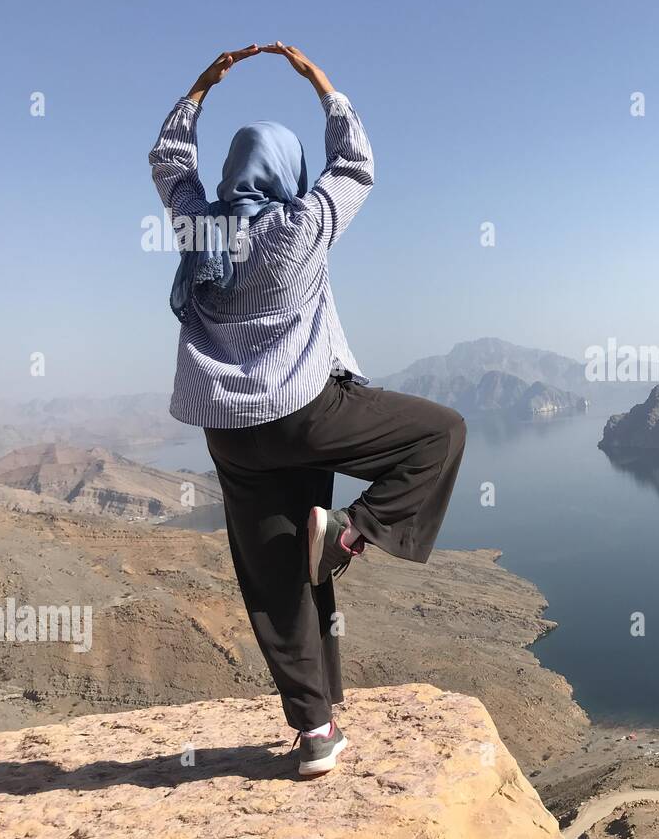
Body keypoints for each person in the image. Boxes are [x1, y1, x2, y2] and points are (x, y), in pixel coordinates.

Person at [149, 44, 466, 777]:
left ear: (233, 171)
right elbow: (356, 165)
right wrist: (321, 84)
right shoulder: (298, 227)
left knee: (275, 575)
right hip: (306, 410)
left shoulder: (200, 230)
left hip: (231, 435)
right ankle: (354, 531)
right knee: (441, 433)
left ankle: (316, 731)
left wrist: (200, 87)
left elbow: (170, 165)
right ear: (286, 170)